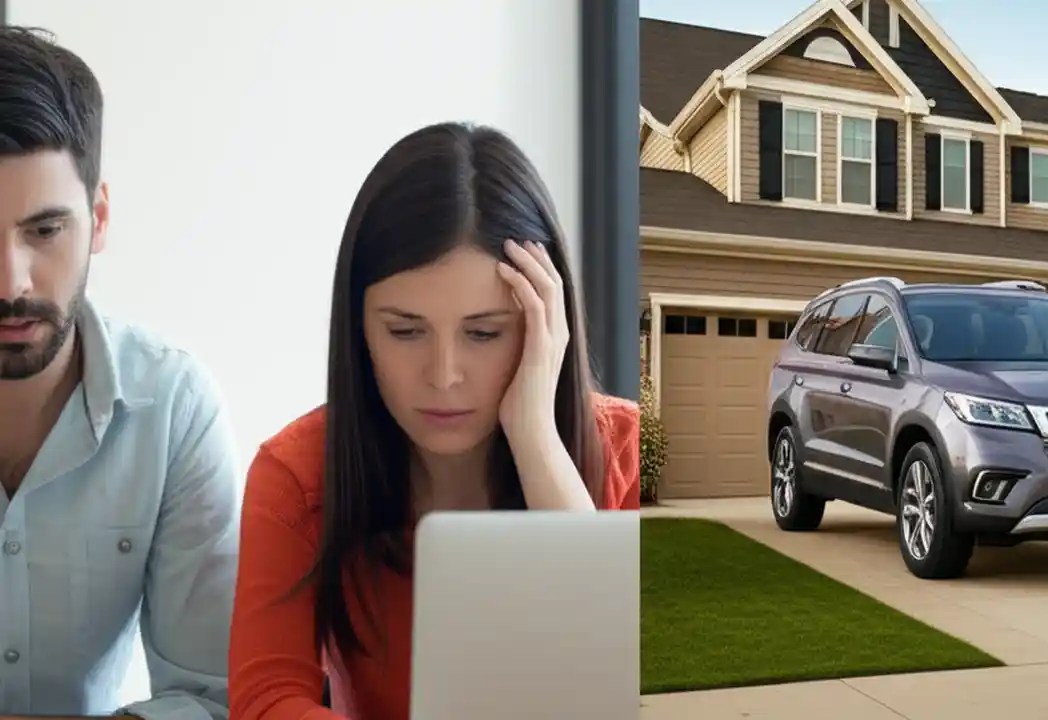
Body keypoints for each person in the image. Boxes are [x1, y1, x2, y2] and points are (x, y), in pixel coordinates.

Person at [227, 122, 640, 719]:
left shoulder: (624, 447)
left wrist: (537, 441)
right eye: (405, 331)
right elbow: (266, 700)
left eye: (483, 333)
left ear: (543, 323)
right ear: (359, 328)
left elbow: (615, 687)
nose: (444, 375)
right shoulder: (296, 474)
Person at [0, 27, 237, 720]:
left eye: (44, 231)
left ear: (98, 218)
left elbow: (212, 697)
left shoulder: (173, 409)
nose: (12, 281)